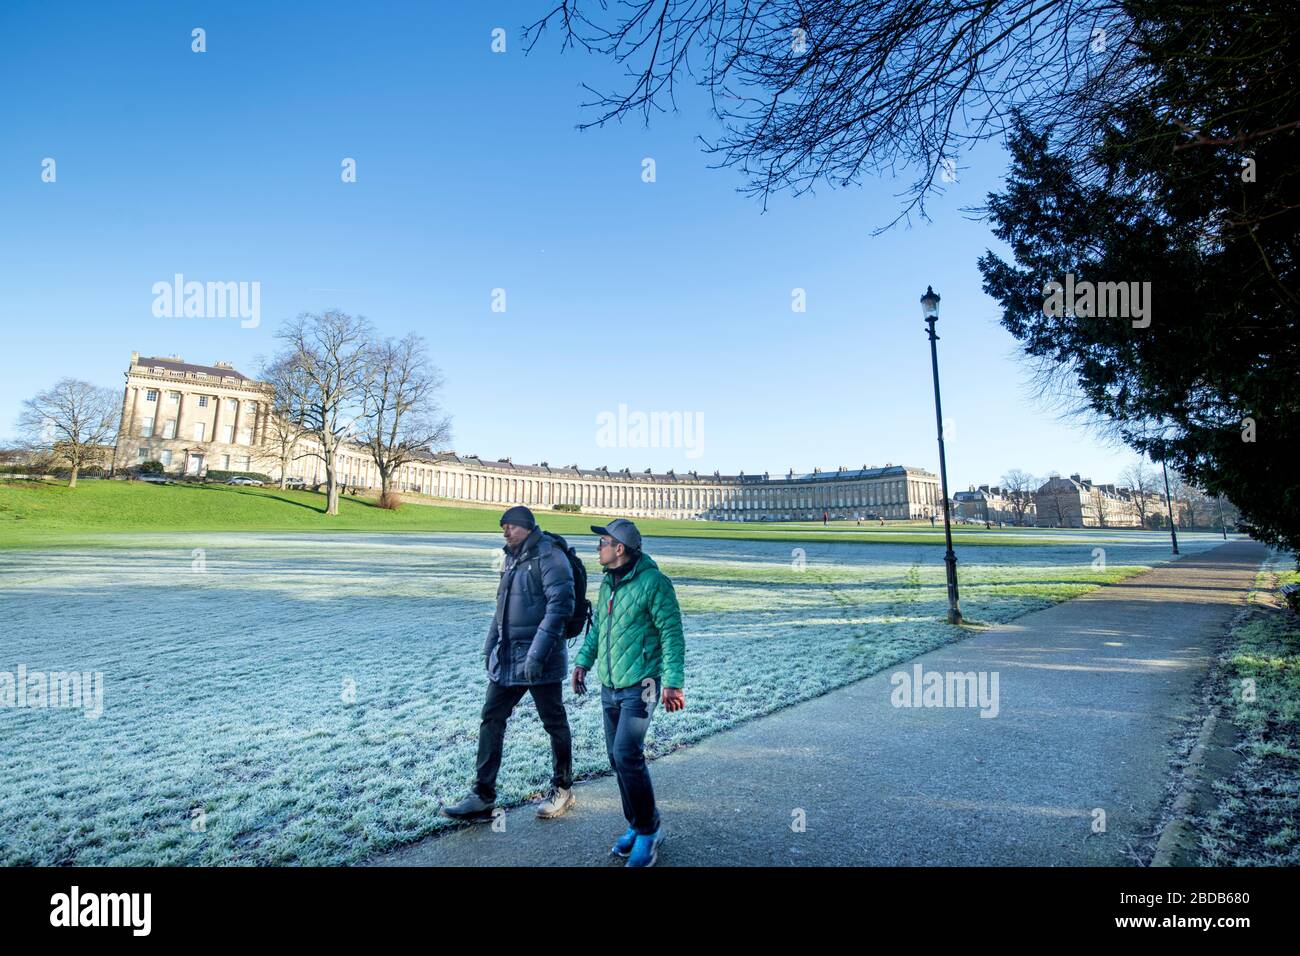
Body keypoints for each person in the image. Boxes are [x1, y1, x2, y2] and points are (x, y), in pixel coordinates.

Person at [442, 505, 577, 821]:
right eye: (503, 526)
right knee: (491, 718)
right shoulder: (511, 559)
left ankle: (563, 788)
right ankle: (482, 795)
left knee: (553, 722)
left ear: (528, 527)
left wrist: (536, 654)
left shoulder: (550, 555)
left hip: (539, 660)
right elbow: (501, 608)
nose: (505, 531)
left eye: (511, 526)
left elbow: (560, 607)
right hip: (508, 659)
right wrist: (490, 645)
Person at [573, 518, 684, 867]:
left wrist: (674, 682)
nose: (598, 548)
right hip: (610, 685)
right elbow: (598, 633)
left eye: (603, 542)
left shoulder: (654, 583)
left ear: (619, 549)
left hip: (644, 684)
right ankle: (637, 824)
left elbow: (672, 634)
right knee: (616, 758)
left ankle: (650, 831)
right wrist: (582, 663)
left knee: (627, 754)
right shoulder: (608, 583)